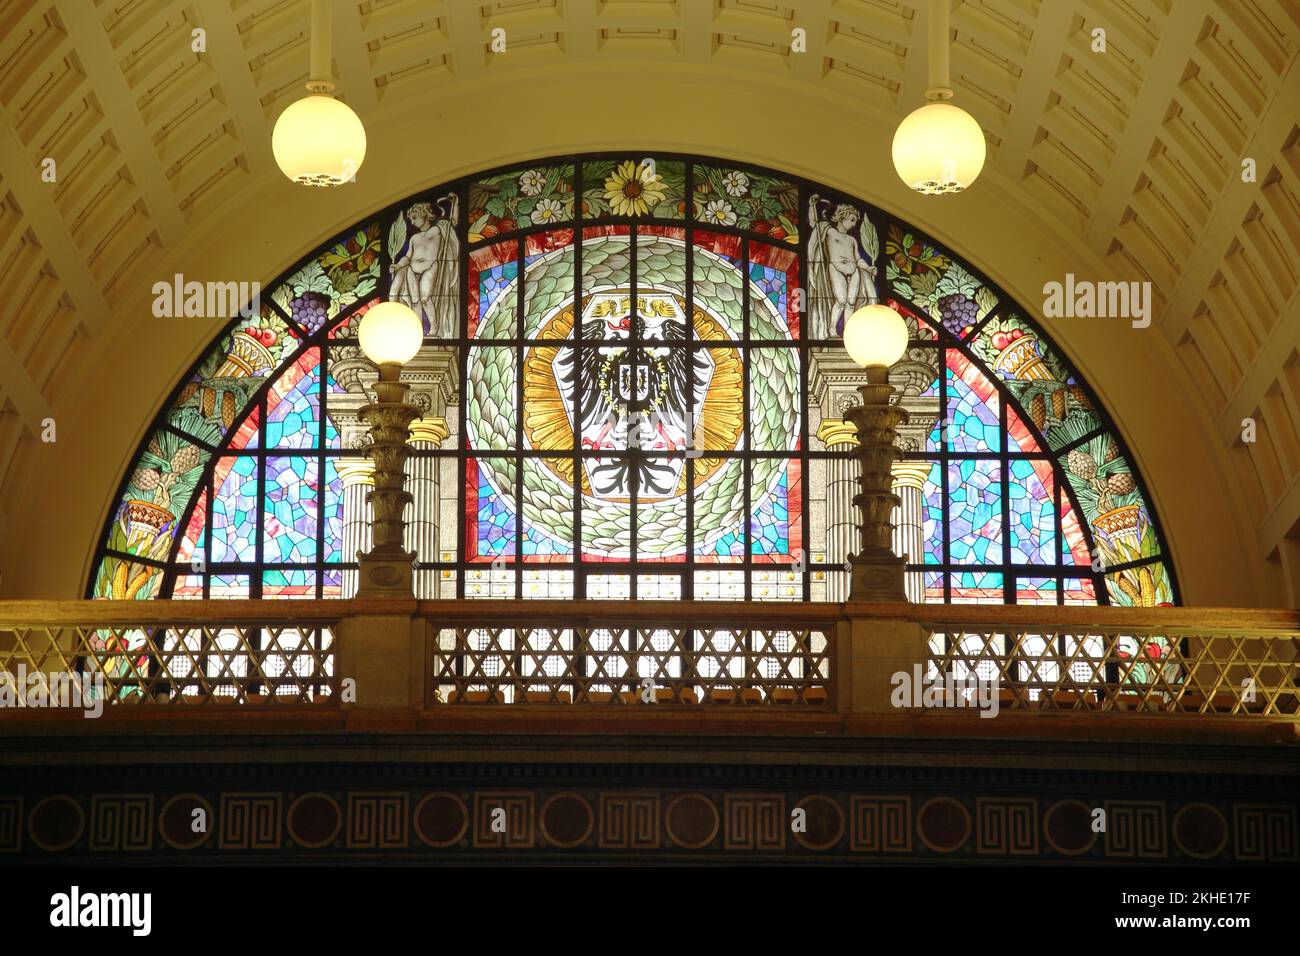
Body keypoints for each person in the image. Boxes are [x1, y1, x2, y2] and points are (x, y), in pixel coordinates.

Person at [807, 194, 878, 339]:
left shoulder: (852, 240)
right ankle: (832, 328)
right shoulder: (829, 232)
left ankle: (848, 332)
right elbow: (814, 223)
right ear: (841, 217)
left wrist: (868, 268)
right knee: (840, 301)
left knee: (851, 303)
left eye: (855, 221)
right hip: (836, 269)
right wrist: (810, 205)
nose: (854, 224)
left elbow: (857, 259)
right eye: (851, 220)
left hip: (854, 271)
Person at [391, 195, 459, 337]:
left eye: (415, 217)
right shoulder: (414, 238)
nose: (412, 221)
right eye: (410, 219)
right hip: (412, 269)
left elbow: (453, 222)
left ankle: (434, 327)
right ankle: (418, 331)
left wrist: (456, 203)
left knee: (425, 298)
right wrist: (397, 266)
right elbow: (408, 257)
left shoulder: (438, 230)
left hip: (430, 268)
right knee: (415, 301)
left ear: (426, 215)